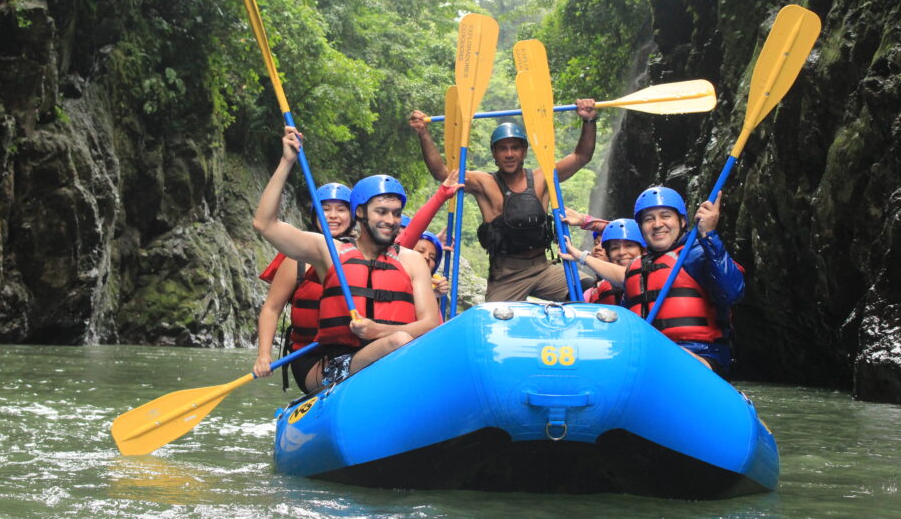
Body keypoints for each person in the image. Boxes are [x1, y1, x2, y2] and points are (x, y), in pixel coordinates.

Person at [253, 127, 440, 391]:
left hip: (391, 353)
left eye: (396, 214)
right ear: (361, 212)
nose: (390, 221)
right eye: (382, 212)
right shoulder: (329, 251)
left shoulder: (412, 260)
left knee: (398, 342)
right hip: (329, 363)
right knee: (397, 341)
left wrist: (377, 331)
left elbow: (431, 323)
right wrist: (287, 162)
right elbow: (264, 223)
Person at [408, 101, 598, 303]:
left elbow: (581, 157)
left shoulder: (543, 178)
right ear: (494, 154)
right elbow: (442, 173)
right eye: (503, 149)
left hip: (543, 268)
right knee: (496, 321)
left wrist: (589, 120)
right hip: (506, 275)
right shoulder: (484, 183)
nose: (509, 154)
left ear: (524, 151)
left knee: (591, 290)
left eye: (515, 148)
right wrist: (424, 134)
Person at [563, 187, 744, 376]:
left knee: (655, 358)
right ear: (641, 229)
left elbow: (732, 292)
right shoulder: (636, 269)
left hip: (702, 358)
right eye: (649, 219)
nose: (657, 224)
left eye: (665, 216)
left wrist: (709, 234)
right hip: (648, 362)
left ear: (682, 221)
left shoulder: (698, 255)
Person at [253, 182, 352, 392]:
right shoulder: (296, 259)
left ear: (354, 215)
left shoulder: (363, 254)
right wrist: (263, 355)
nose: (333, 215)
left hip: (350, 349)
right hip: (309, 356)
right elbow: (271, 308)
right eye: (325, 209)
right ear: (315, 215)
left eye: (341, 209)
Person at [562, 216, 645, 305]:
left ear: (643, 250)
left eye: (629, 245)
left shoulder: (648, 274)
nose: (621, 252)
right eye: (615, 248)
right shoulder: (596, 290)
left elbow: (627, 275)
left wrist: (585, 221)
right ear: (609, 253)